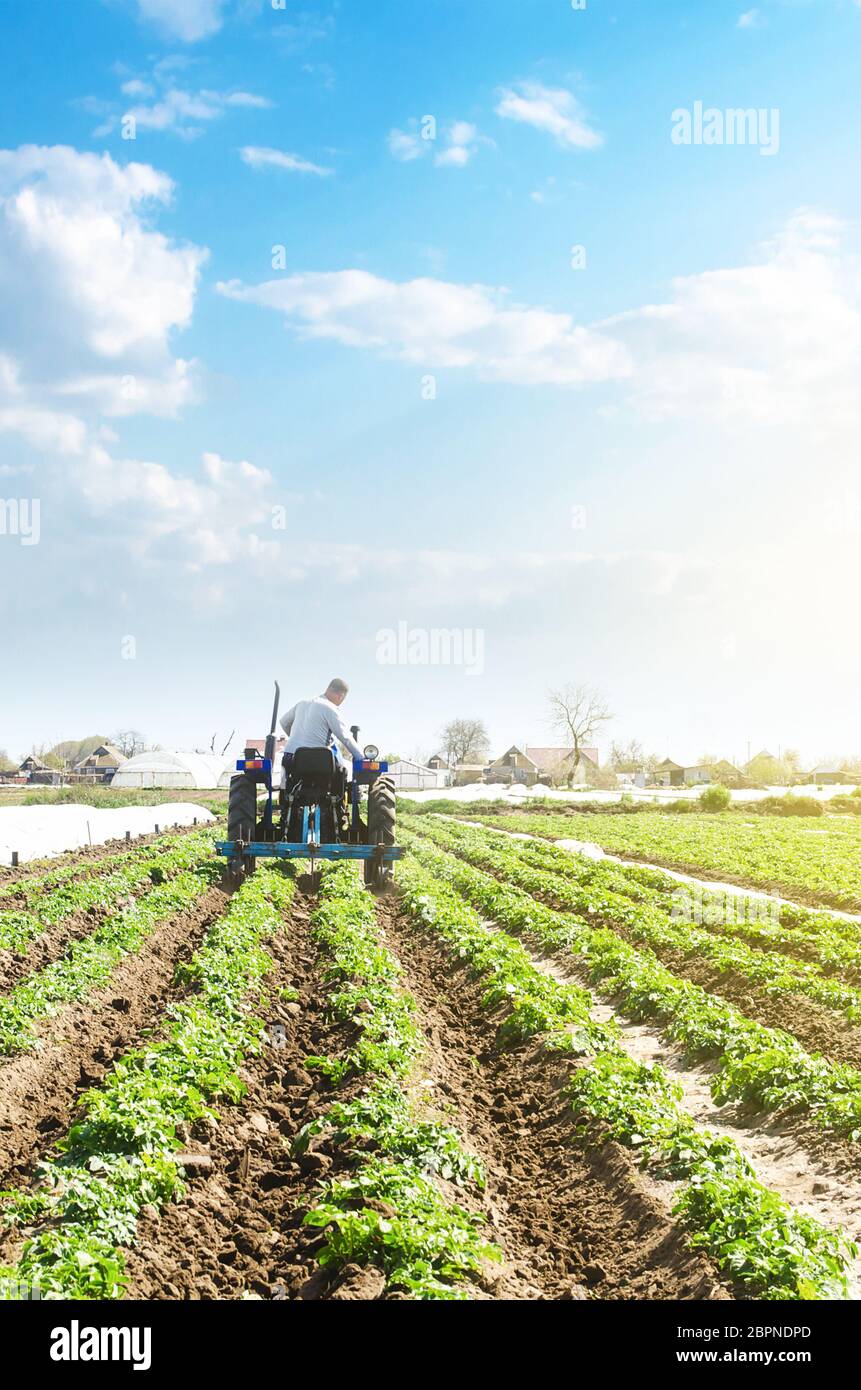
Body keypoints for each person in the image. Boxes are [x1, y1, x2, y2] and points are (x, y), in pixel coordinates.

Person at [279, 679, 364, 785]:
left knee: (289, 780)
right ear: (341, 696)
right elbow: (345, 737)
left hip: (292, 758)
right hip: (319, 762)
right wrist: (361, 757)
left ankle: (289, 796)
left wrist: (296, 737)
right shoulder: (330, 708)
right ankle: (337, 800)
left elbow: (283, 722)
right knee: (342, 773)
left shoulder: (302, 703)